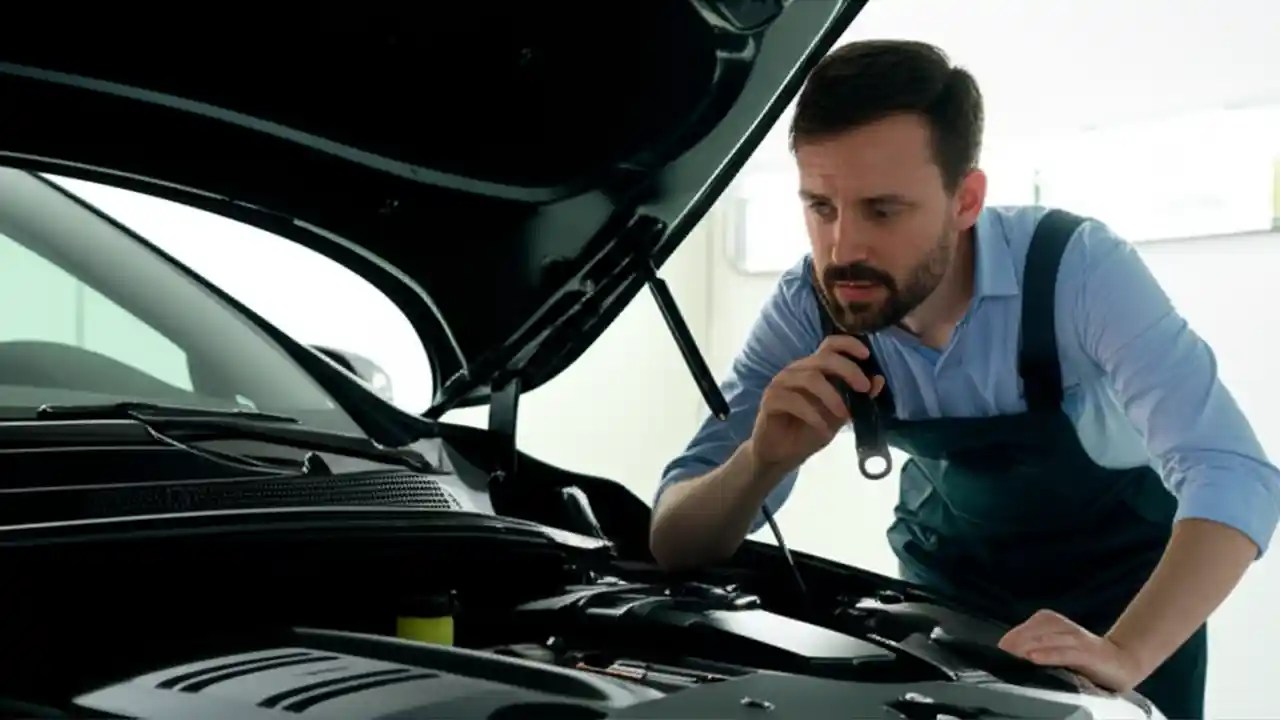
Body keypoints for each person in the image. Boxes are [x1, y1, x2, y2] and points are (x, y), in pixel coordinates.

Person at [648, 38, 1280, 719]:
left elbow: (1233, 473)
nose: (843, 249)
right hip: (950, 605)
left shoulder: (1079, 271)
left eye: (883, 211)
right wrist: (757, 463)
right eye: (821, 208)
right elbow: (672, 541)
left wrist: (1126, 654)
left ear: (966, 199)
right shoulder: (809, 306)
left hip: (1123, 605)